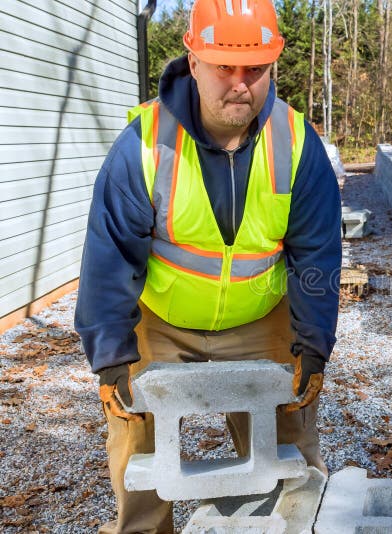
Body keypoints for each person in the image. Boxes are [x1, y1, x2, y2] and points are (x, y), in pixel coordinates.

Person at [74, 0, 341, 531]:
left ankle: (294, 522)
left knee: (292, 444)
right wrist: (109, 356)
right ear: (192, 61)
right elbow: (110, 254)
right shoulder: (144, 144)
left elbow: (315, 254)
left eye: (255, 69)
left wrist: (313, 344)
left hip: (261, 318)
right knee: (136, 439)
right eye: (224, 66)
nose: (239, 83)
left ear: (273, 67)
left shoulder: (296, 142)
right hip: (161, 320)